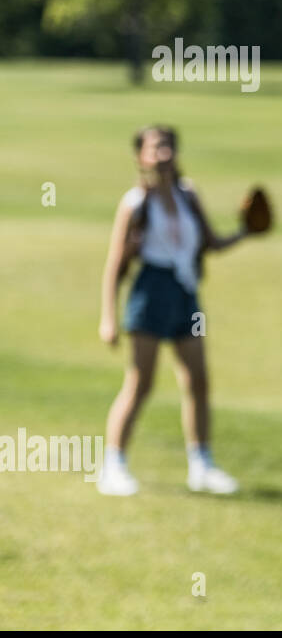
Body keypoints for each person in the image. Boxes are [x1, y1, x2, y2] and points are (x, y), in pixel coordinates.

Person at [97, 125, 250, 496]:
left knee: (198, 380)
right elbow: (116, 263)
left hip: (186, 296)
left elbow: (210, 243)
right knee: (141, 383)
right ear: (140, 156)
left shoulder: (188, 195)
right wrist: (108, 317)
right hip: (151, 292)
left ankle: (202, 464)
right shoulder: (135, 203)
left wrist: (246, 233)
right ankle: (113, 465)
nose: (163, 153)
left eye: (168, 146)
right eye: (155, 148)